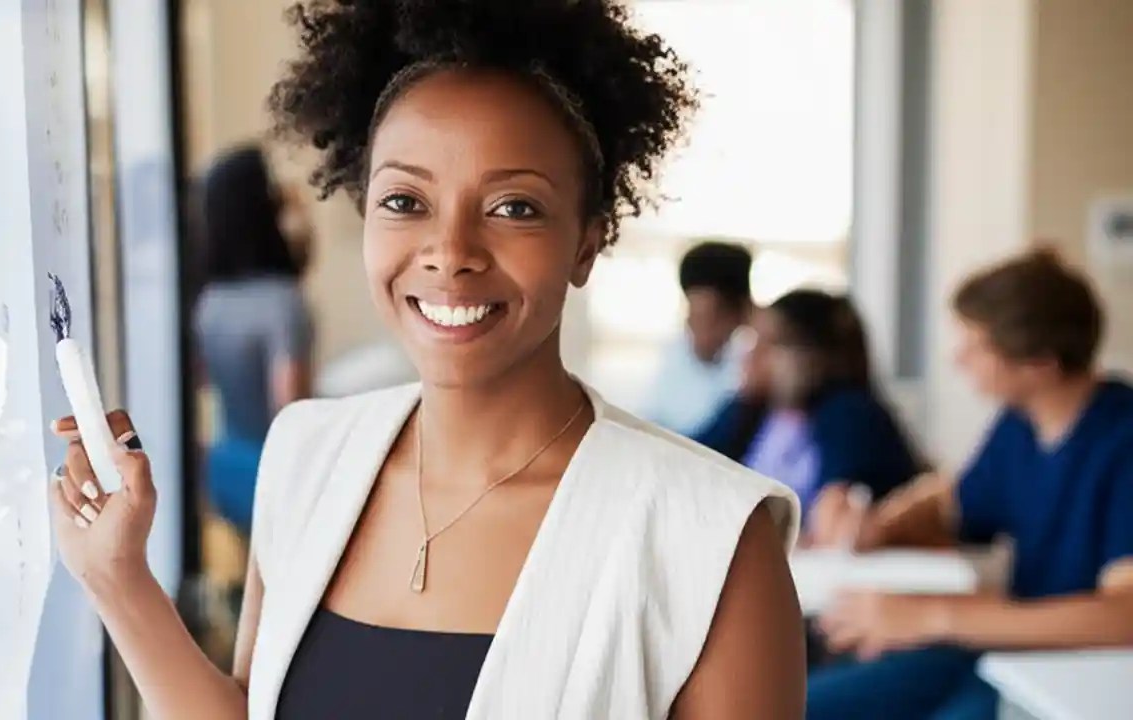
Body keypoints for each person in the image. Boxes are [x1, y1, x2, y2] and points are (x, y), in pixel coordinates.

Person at [46, 1, 806, 718]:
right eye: (405, 201)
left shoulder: (711, 540)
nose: (450, 254)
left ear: (586, 242)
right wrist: (116, 576)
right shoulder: (308, 455)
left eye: (514, 207)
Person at [807, 250, 1133, 719]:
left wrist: (932, 616)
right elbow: (952, 503)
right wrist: (878, 524)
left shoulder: (1121, 442)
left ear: (1039, 363)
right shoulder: (1020, 427)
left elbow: (1122, 617)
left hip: (1067, 674)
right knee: (802, 701)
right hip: (998, 645)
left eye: (976, 345)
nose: (959, 358)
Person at [694, 289, 922, 539]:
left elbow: (835, 516)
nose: (750, 354)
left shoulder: (850, 413)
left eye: (769, 343)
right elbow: (686, 462)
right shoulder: (748, 411)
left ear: (812, 355)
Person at [192, 145, 314, 532]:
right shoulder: (283, 302)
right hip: (272, 473)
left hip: (222, 466)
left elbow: (203, 379)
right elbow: (289, 407)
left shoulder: (208, 303)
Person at [643, 241, 753, 437]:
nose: (698, 331)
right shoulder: (675, 353)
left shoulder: (751, 360)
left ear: (739, 316)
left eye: (710, 319)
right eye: (694, 317)